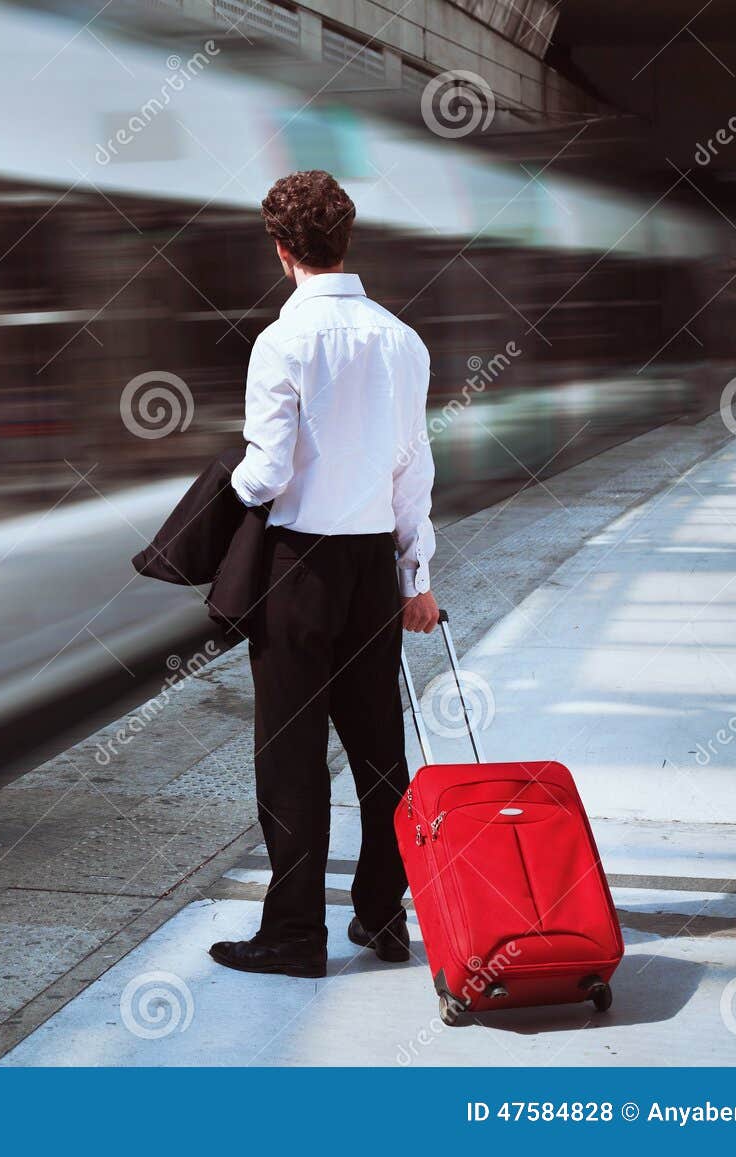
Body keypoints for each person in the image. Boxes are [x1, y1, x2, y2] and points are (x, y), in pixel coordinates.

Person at [209, 170, 439, 978]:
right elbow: (414, 469)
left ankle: (294, 932)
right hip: (374, 565)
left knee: (291, 754)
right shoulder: (402, 340)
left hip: (297, 569)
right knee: (381, 749)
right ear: (347, 241)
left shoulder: (282, 342)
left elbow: (265, 474)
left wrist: (222, 489)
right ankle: (383, 917)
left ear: (283, 252)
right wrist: (417, 579)